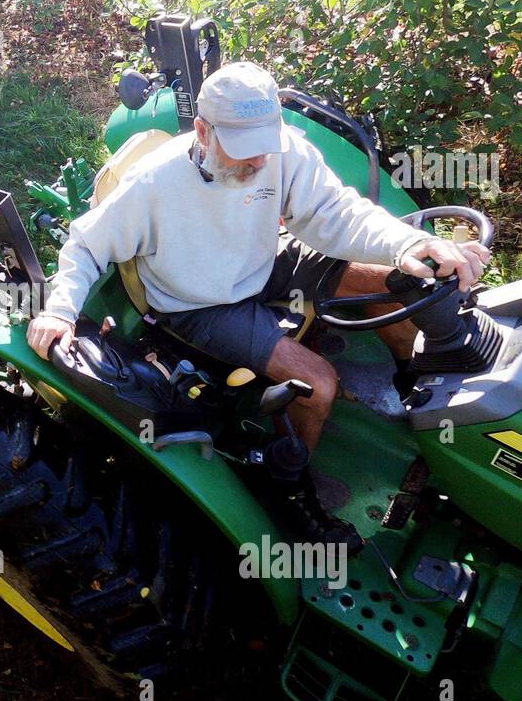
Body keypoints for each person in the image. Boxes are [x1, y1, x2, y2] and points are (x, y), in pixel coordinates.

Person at [27, 61, 490, 546]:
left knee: (396, 281)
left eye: (266, 148)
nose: (261, 163)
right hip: (201, 302)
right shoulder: (153, 185)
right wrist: (59, 310)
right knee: (318, 383)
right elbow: (85, 245)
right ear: (203, 132)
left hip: (265, 259)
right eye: (246, 152)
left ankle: (418, 387)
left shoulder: (281, 152)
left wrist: (406, 244)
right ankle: (285, 485)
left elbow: (336, 213)